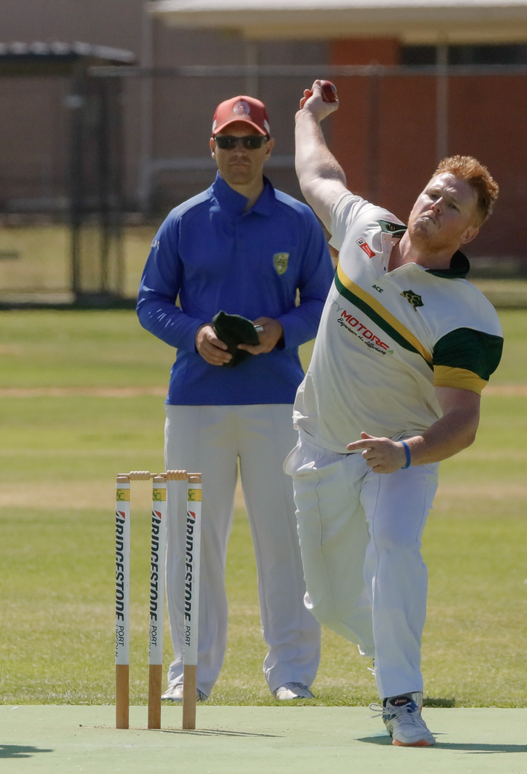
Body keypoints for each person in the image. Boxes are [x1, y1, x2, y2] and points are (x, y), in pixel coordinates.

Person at [285, 81, 504, 745]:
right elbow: (318, 173)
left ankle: (402, 700)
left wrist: (405, 452)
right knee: (329, 601)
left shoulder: (468, 317)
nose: (433, 204)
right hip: (323, 443)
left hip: (403, 455)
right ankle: (383, 645)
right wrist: (305, 116)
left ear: (469, 231)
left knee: (395, 553)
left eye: (452, 205)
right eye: (433, 191)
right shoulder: (367, 228)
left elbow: (461, 423)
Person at [137, 95, 333, 702]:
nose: (240, 153)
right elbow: (150, 301)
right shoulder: (184, 220)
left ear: (270, 147)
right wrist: (194, 335)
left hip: (278, 401)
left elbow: (324, 301)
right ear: (213, 147)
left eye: (251, 142)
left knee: (286, 539)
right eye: (229, 142)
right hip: (195, 402)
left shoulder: (297, 221)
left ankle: (292, 673)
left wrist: (280, 329)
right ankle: (190, 674)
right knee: (189, 539)